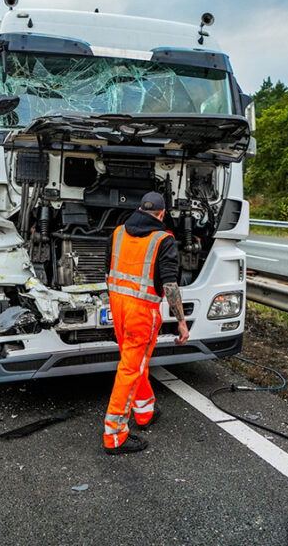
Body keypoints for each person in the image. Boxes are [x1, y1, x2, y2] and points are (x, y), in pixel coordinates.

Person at [102, 191, 190, 455]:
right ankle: (114, 436)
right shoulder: (163, 240)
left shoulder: (118, 233)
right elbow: (170, 285)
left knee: (134, 361)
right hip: (141, 311)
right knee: (131, 368)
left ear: (140, 209)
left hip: (118, 305)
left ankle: (144, 411)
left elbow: (107, 270)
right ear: (162, 214)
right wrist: (181, 321)